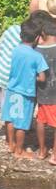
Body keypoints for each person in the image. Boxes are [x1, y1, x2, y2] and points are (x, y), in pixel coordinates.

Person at [2, 21, 48, 157]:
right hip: (26, 93)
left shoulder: (15, 50)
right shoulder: (37, 56)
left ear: (21, 36)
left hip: (11, 89)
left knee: (10, 119)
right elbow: (42, 78)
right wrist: (33, 78)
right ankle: (19, 151)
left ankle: (11, 145)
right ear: (36, 38)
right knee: (21, 124)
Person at [0, 17, 27, 143]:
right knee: (9, 112)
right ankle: (10, 140)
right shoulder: (26, 41)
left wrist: (0, 63)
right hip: (10, 80)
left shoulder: (11, 29)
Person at [34, 14, 56, 164]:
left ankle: (42, 151)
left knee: (41, 120)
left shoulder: (36, 50)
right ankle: (55, 155)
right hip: (55, 94)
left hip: (41, 92)